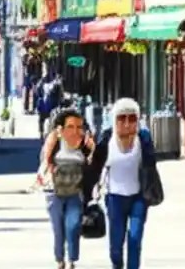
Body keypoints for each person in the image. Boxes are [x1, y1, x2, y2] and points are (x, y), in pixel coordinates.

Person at [84, 98, 157, 269]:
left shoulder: (143, 138)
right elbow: (94, 169)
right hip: (115, 198)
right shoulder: (107, 139)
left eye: (132, 119)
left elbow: (151, 165)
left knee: (135, 238)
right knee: (116, 245)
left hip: (138, 197)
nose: (126, 123)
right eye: (121, 118)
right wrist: (86, 197)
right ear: (114, 119)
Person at [39, 108, 94, 269]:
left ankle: (72, 259)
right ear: (61, 128)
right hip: (54, 192)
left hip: (75, 191)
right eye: (70, 126)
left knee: (73, 225)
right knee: (58, 229)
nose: (75, 130)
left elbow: (91, 163)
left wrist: (91, 148)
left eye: (78, 127)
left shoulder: (83, 141)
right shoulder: (54, 140)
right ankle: (59, 259)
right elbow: (45, 159)